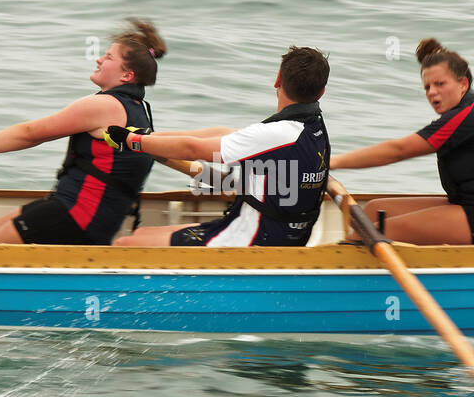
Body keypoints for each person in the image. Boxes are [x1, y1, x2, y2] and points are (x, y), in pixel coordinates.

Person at [0, 19, 163, 244]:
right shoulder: (139, 110)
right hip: (76, 210)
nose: (98, 59)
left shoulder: (105, 106)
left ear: (127, 76)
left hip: (77, 217)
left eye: (109, 57)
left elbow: (31, 133)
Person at [105, 46, 331, 247]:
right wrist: (149, 136)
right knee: (142, 233)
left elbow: (193, 150)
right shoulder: (312, 128)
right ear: (321, 92)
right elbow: (223, 134)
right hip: (272, 232)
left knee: (128, 243)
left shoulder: (278, 133)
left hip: (251, 238)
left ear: (277, 79)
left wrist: (132, 141)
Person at [328, 38, 474, 244]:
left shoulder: (465, 117)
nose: (432, 92)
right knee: (374, 209)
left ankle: (339, 269)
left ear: (463, 84)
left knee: (376, 231)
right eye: (427, 87)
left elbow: (399, 150)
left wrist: (333, 162)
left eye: (440, 84)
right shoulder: (469, 107)